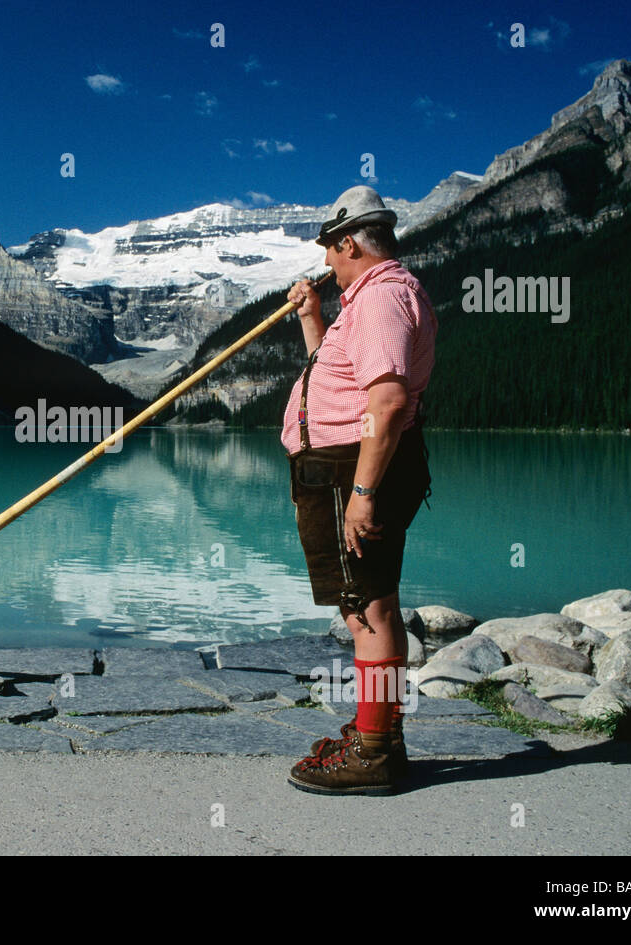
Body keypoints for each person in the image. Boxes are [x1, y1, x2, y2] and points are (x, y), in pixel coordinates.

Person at [282, 185, 436, 796]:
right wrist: (311, 318)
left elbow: (390, 400)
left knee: (368, 609)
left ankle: (372, 752)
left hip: (353, 472)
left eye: (329, 250)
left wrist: (365, 492)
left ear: (348, 241)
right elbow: (339, 381)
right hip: (344, 468)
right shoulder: (369, 300)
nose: (326, 262)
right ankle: (381, 734)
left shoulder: (381, 299)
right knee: (366, 604)